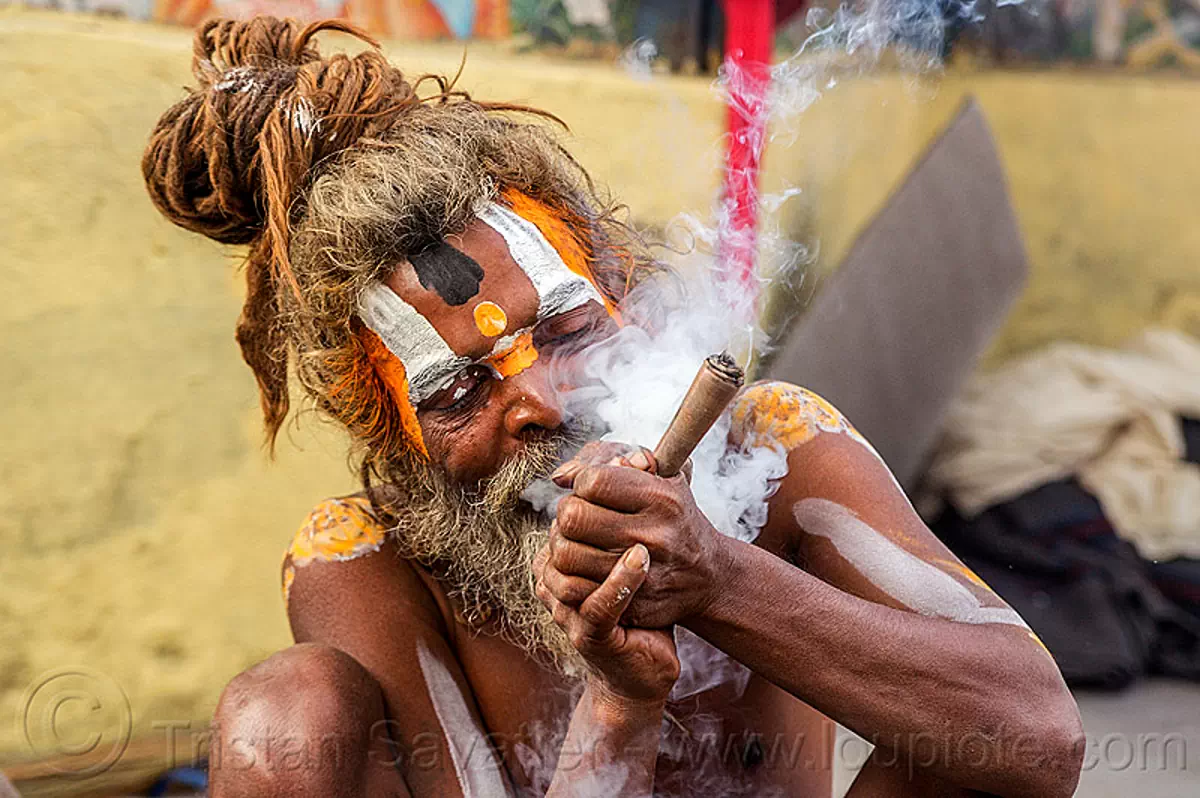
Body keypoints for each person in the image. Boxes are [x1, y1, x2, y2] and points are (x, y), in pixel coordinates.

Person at [142, 16, 1084, 797]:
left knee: (970, 740)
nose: (541, 402)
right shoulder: (365, 561)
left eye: (563, 332)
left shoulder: (774, 447)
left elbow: (1041, 736)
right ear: (394, 434)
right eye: (461, 390)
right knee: (282, 714)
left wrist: (721, 579)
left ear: (621, 292)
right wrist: (619, 704)